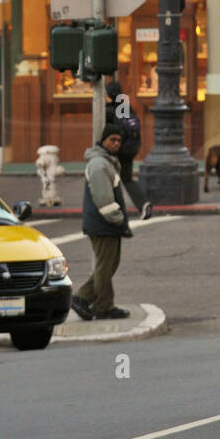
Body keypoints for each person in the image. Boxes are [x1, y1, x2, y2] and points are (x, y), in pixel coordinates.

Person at [70, 122, 132, 322]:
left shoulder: (106, 162)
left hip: (104, 223)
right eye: (112, 139)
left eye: (119, 140)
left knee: (109, 265)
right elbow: (103, 198)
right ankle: (103, 306)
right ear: (103, 141)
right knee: (105, 267)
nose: (116, 143)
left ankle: (83, 299)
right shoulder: (99, 164)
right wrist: (118, 219)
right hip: (103, 223)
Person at [106, 79, 151, 221]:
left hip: (117, 150)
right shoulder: (126, 105)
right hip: (130, 148)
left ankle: (114, 209)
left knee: (110, 179)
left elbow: (108, 133)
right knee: (126, 178)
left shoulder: (108, 110)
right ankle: (143, 204)